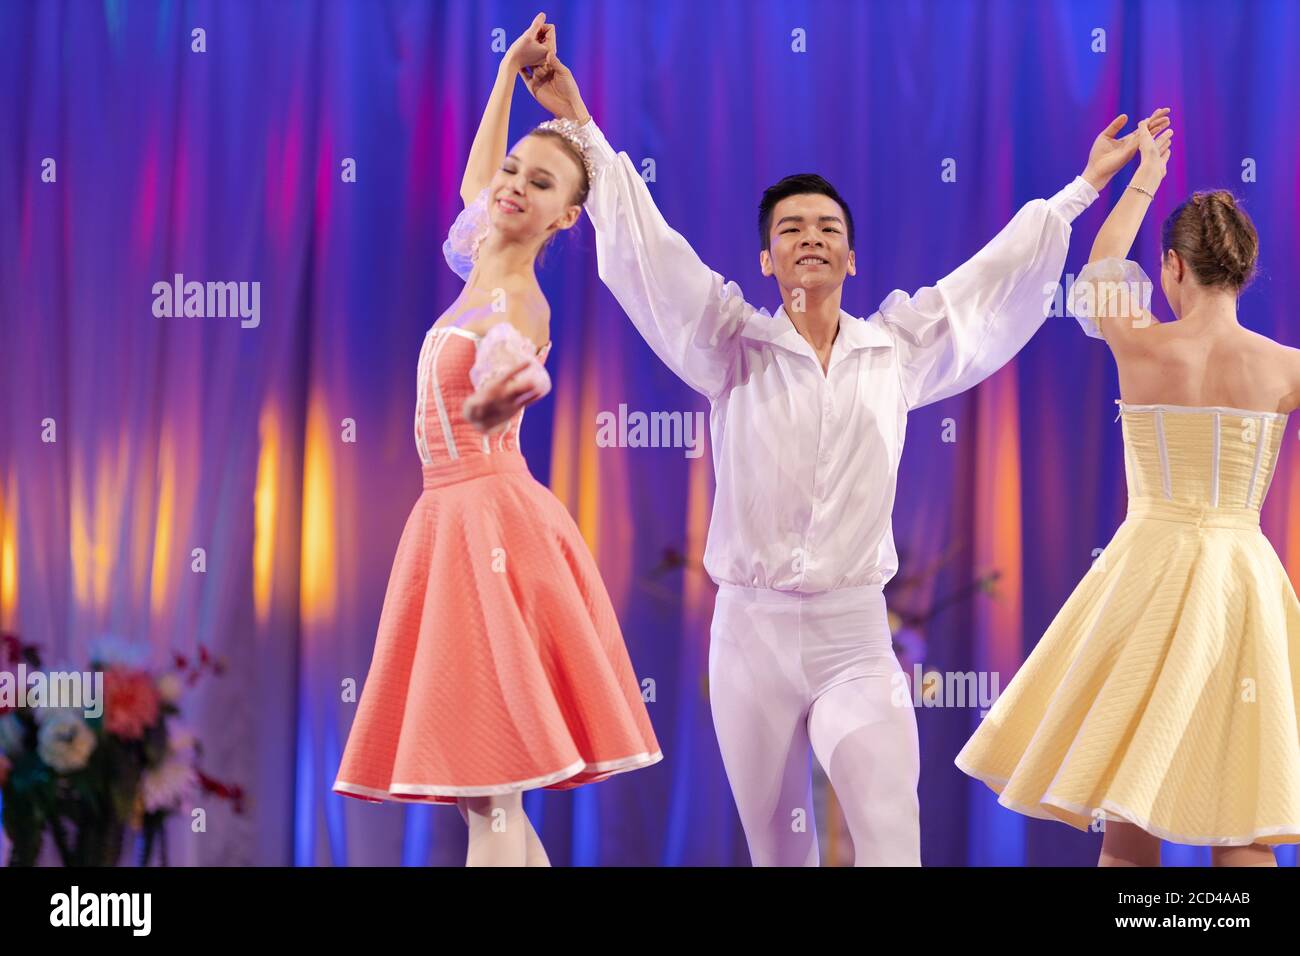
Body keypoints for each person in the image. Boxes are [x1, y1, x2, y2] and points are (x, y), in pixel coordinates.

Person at [519, 37, 1164, 864]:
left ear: (852, 257)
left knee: (891, 840)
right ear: (766, 258)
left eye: (827, 227)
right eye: (791, 229)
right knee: (778, 852)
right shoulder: (729, 345)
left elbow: (988, 281)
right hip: (748, 637)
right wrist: (577, 120)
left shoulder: (893, 351)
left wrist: (1085, 188)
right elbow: (651, 250)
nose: (810, 238)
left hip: (854, 636)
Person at [332, 15, 661, 867]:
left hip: (489, 524)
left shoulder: (516, 300)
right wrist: (510, 74)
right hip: (454, 516)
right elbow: (481, 178)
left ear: (566, 218)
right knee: (490, 793)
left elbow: (508, 393)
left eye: (540, 183)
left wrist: (494, 403)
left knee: (494, 785)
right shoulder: (484, 256)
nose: (513, 185)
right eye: (516, 171)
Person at [956, 118, 1300, 866]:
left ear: (1172, 267)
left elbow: (1104, 263)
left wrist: (1140, 173)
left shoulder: (1138, 342)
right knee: (1242, 818)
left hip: (1145, 572)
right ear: (1242, 272)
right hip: (1240, 583)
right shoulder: (1286, 368)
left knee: (1126, 813)